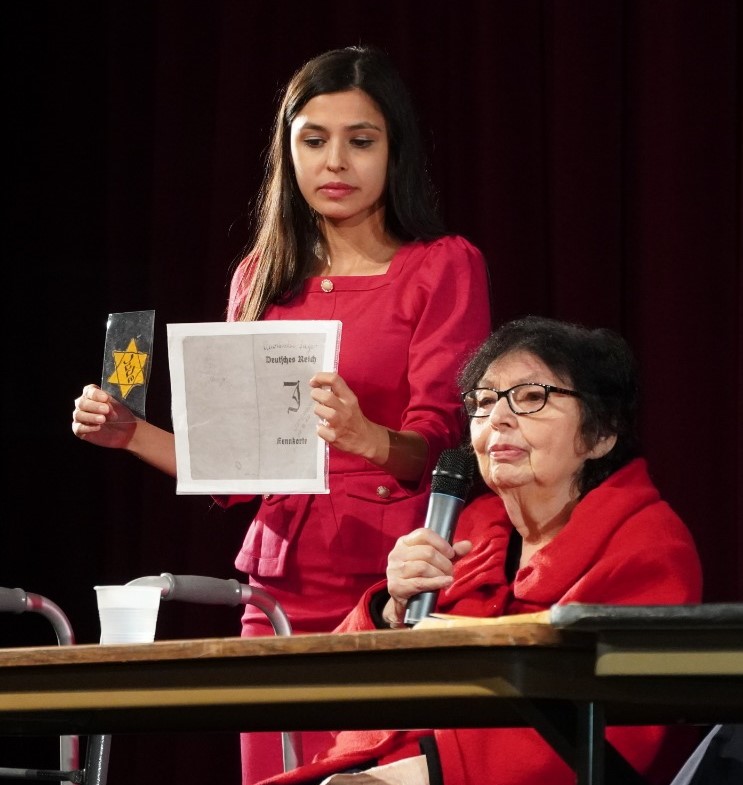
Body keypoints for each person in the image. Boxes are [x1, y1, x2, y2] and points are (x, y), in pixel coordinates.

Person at [70, 45, 492, 783]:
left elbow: (446, 444)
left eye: (360, 141)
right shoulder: (260, 276)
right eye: (313, 139)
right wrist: (131, 433)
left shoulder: (440, 264)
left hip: (389, 578)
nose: (335, 162)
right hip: (277, 583)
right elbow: (236, 469)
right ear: (286, 150)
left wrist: (365, 436)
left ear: (395, 149)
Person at [252, 315, 703, 785]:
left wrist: (425, 771)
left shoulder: (647, 543)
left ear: (601, 435)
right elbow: (336, 688)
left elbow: (616, 731)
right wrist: (391, 606)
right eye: (484, 402)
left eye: (532, 398)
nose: (499, 419)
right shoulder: (470, 528)